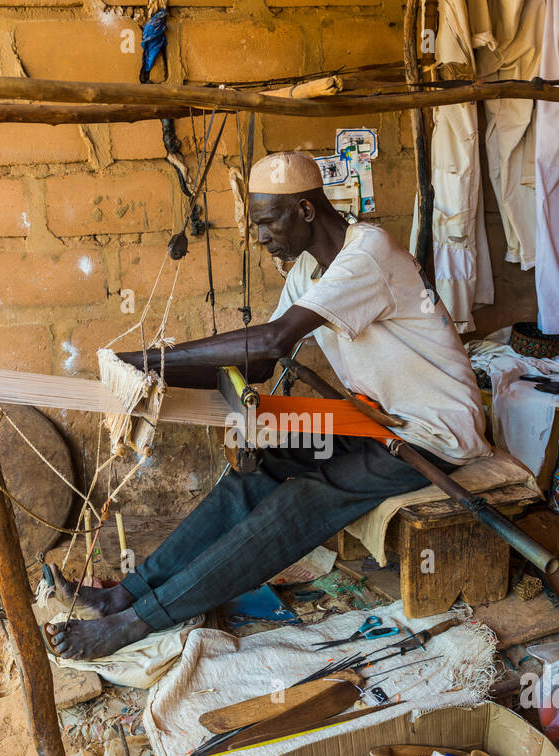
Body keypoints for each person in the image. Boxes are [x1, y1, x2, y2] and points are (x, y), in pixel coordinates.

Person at [47, 151, 491, 660]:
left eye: (265, 222)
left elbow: (274, 341)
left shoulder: (368, 254)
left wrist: (154, 360)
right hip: (379, 423)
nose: (260, 237)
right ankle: (127, 593)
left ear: (305, 211)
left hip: (433, 433)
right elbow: (255, 367)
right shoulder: (308, 270)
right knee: (258, 472)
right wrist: (151, 377)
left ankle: (136, 622)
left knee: (300, 500)